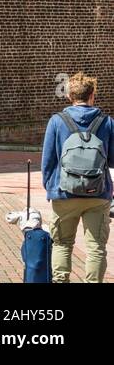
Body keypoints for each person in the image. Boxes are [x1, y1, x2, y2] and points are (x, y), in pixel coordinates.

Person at [42, 71, 114, 283]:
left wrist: (51, 187)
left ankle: (61, 280)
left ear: (69, 96)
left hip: (64, 193)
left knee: (62, 243)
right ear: (92, 95)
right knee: (96, 247)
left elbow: (48, 161)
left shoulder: (56, 121)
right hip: (98, 194)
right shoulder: (107, 122)